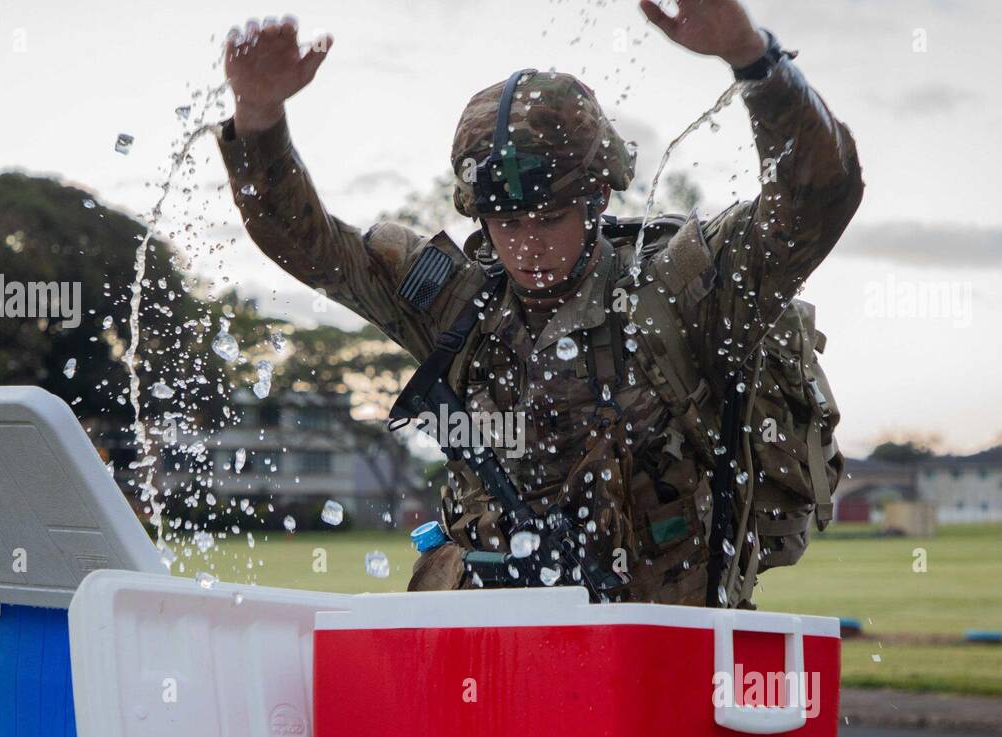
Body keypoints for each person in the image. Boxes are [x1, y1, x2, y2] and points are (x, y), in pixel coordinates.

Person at [217, 0, 863, 606]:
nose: (528, 246)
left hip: (664, 652)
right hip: (495, 649)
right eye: (507, 223)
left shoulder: (680, 292)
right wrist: (259, 118)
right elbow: (309, 245)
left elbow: (817, 197)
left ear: (598, 199)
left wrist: (752, 60)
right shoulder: (456, 301)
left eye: (550, 219)